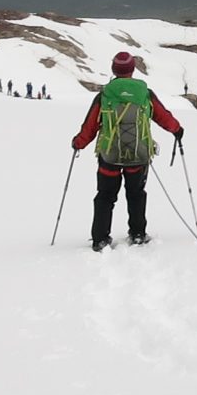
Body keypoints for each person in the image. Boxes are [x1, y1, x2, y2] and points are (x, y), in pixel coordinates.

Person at [70, 51, 185, 251]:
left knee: (105, 196)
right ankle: (138, 234)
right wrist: (177, 129)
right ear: (132, 69)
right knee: (136, 194)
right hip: (138, 156)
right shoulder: (145, 94)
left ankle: (100, 239)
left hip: (109, 156)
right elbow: (162, 116)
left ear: (114, 69)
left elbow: (90, 126)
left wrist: (78, 143)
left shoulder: (104, 95)